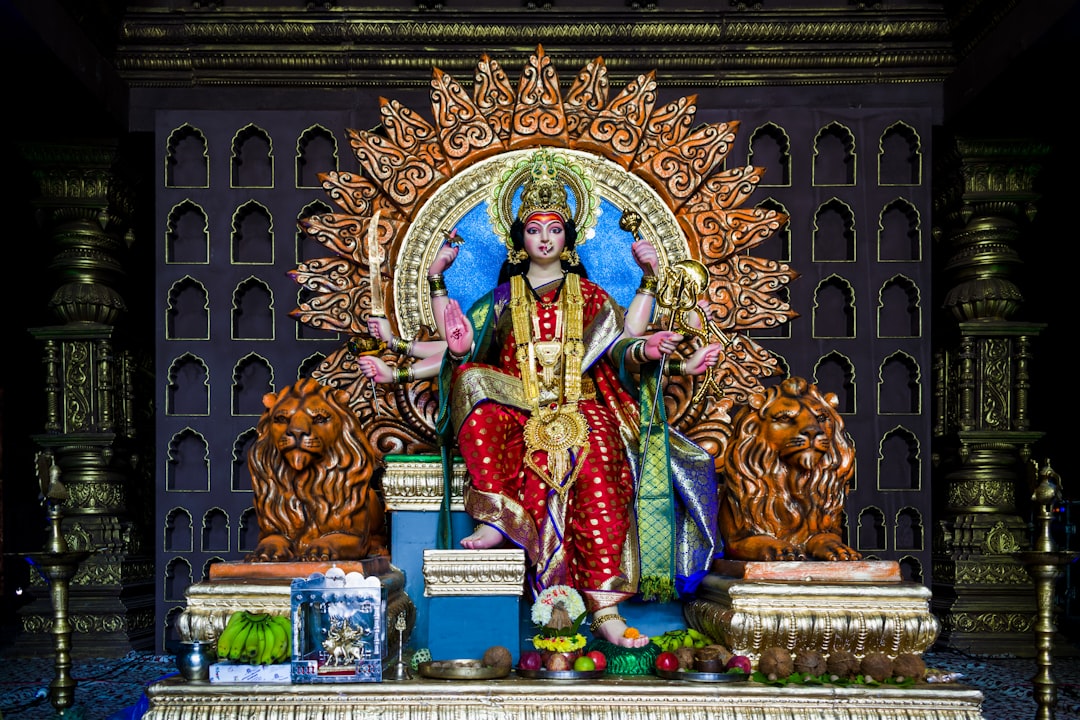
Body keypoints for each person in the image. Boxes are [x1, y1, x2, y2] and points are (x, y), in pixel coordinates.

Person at [359, 148, 723, 648]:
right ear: (520, 238)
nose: (545, 238)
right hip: (518, 403)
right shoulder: (502, 299)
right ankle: (498, 516)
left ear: (568, 237)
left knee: (596, 463)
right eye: (534, 229)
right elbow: (455, 350)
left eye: (554, 229)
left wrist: (653, 307)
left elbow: (622, 345)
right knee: (470, 380)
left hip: (580, 403)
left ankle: (604, 608)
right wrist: (411, 335)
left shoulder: (590, 296)